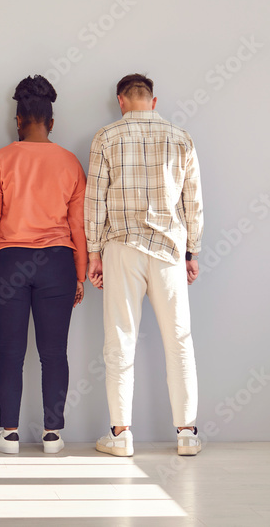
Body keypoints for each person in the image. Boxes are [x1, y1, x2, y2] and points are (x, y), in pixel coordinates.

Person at [86, 73, 203, 457]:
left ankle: (121, 435)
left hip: (122, 246)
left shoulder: (106, 136)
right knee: (179, 340)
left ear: (121, 100)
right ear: (152, 101)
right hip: (170, 249)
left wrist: (93, 252)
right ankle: (186, 434)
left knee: (119, 339)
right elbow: (193, 203)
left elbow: (95, 201)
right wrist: (192, 251)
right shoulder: (181, 137)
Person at [0, 75, 87, 455]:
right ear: (51, 122)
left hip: (8, 262)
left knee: (10, 353)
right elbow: (78, 226)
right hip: (57, 262)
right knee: (54, 353)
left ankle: (8, 434)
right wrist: (81, 272)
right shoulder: (70, 163)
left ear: (17, 120)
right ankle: (53, 434)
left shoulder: (1, 160)